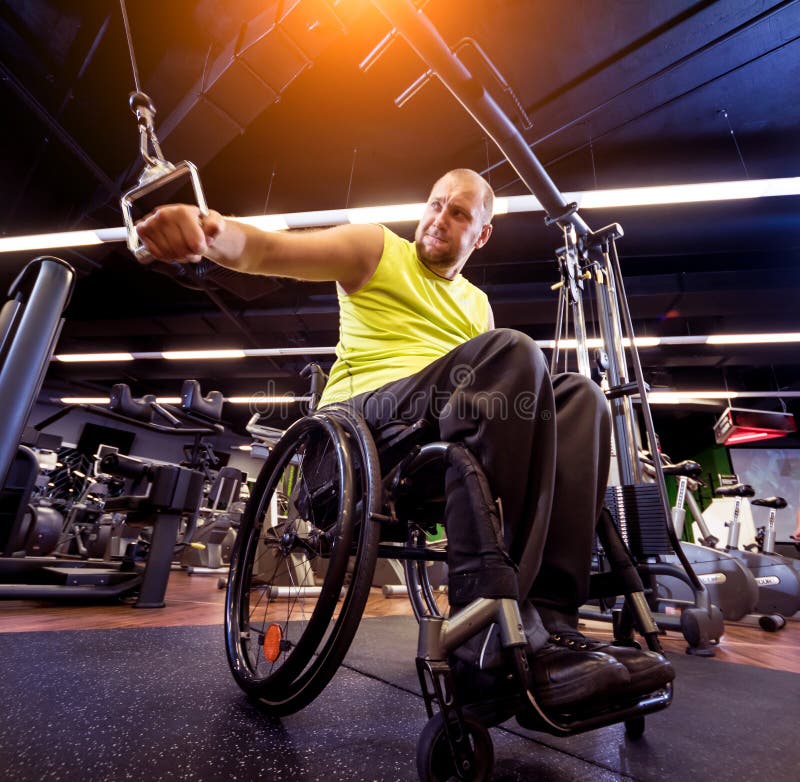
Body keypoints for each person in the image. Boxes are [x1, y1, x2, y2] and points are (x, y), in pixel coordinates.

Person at [136, 168, 673, 710]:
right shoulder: (375, 249)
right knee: (512, 352)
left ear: (481, 234)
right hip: (363, 429)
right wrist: (207, 232)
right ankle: (485, 634)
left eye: (459, 213)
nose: (439, 218)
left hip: (438, 434)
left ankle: (552, 626)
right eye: (436, 204)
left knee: (581, 398)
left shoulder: (477, 305)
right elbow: (269, 249)